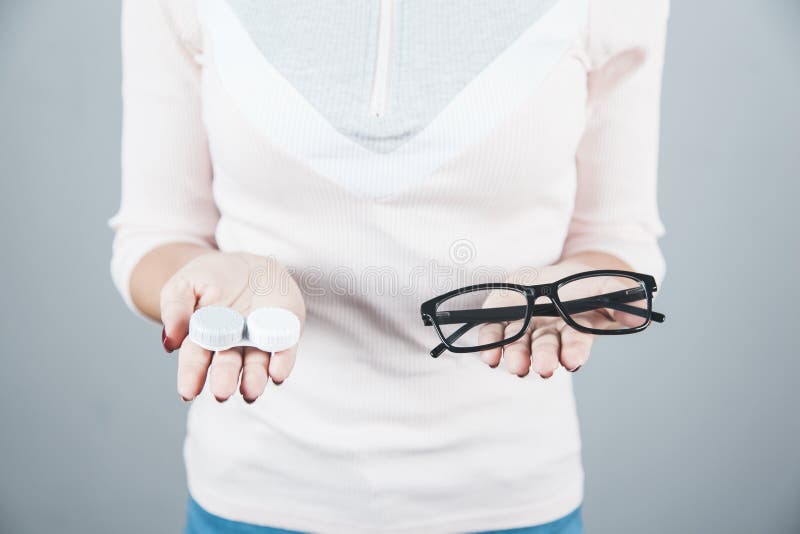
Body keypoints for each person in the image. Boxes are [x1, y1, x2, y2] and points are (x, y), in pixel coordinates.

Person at [109, 0, 668, 532]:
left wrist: (565, 292)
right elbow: (158, 236)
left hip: (509, 502)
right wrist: (217, 280)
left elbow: (619, 238)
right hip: (256, 499)